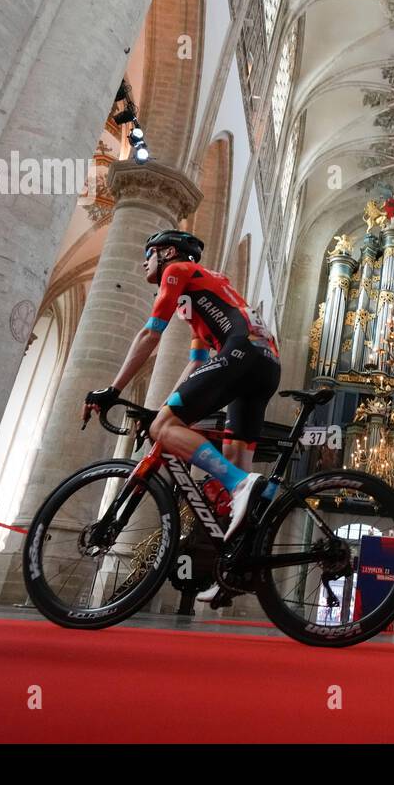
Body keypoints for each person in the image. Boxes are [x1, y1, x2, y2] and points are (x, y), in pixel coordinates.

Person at [81, 229, 281, 604]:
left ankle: (240, 484)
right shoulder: (204, 300)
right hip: (264, 364)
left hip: (241, 355)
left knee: (176, 437)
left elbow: (149, 334)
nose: (145, 261)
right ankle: (235, 567)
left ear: (169, 252)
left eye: (149, 253)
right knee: (231, 473)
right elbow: (196, 363)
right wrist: (167, 407)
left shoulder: (178, 271)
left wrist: (114, 389)